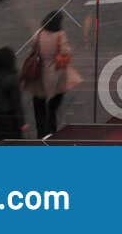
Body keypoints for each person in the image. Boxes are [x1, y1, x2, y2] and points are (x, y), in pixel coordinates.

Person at [27, 10, 82, 139]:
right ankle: (51, 132)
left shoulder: (39, 33)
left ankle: (41, 133)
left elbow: (32, 50)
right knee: (53, 106)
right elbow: (65, 51)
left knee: (39, 104)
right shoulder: (59, 34)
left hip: (39, 73)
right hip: (56, 73)